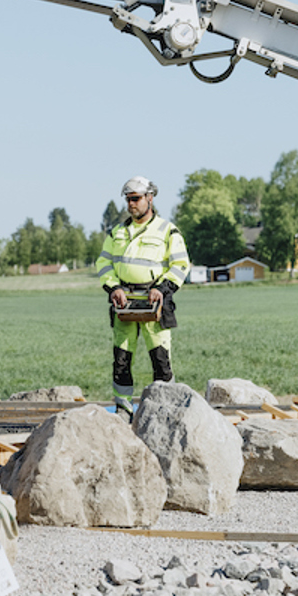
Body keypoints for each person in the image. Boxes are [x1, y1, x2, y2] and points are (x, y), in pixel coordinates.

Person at [95, 175, 190, 420]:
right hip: (124, 303)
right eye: (128, 199)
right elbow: (103, 263)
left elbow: (181, 264)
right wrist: (113, 288)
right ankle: (123, 409)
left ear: (150, 198)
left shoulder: (167, 230)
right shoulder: (117, 232)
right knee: (121, 360)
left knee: (161, 360)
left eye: (136, 199)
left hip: (155, 303)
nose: (131, 204)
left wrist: (163, 288)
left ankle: (164, 410)